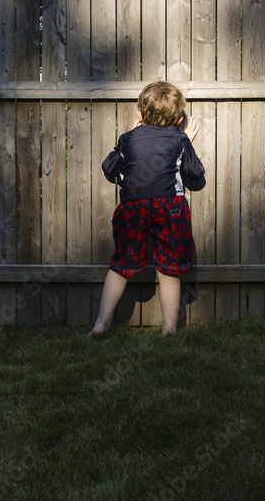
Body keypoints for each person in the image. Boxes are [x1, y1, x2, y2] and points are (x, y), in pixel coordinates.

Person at [89, 81, 205, 337]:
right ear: (178, 120)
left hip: (133, 207)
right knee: (168, 268)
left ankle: (101, 323)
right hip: (169, 207)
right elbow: (195, 173)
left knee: (120, 265)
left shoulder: (128, 139)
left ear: (139, 115)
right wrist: (187, 141)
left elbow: (109, 168)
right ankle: (169, 328)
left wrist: (128, 136)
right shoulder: (179, 138)